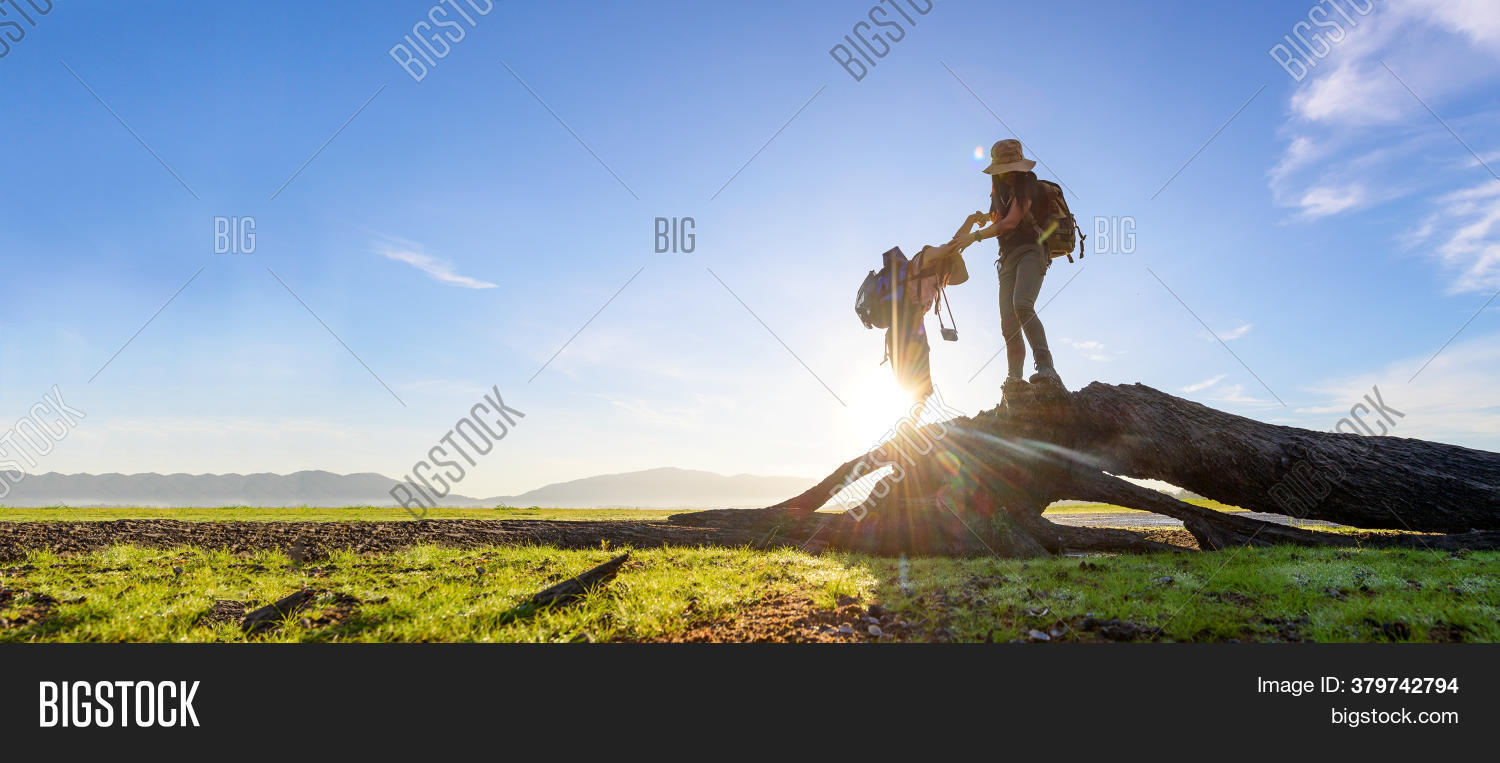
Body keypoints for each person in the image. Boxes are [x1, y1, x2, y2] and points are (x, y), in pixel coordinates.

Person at [952, 139, 1064, 390]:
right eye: (1005, 169)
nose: (1009, 173)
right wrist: (979, 219)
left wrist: (975, 237)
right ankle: (1015, 379)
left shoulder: (1029, 185)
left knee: (1022, 304)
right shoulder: (998, 191)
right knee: (1008, 323)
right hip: (1006, 259)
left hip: (1032, 252)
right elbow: (998, 218)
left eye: (1013, 167)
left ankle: (1046, 367)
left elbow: (1010, 222)